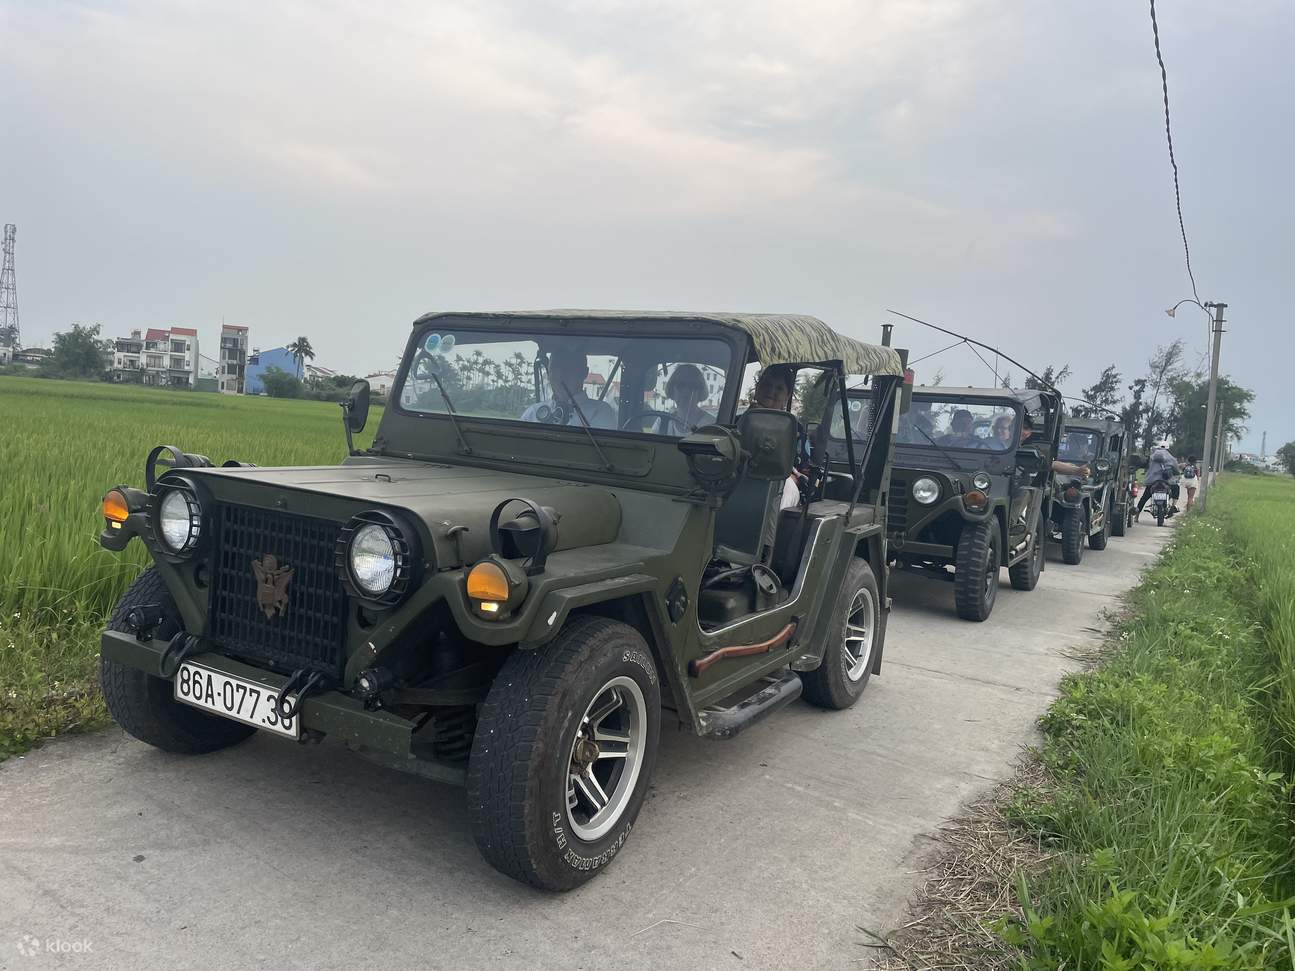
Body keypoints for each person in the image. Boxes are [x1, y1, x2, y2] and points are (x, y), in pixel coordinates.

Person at [745, 364, 803, 511]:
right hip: (738, 472)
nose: (771, 391)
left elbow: (801, 466)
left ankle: (769, 533)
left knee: (786, 488)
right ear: (757, 389)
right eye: (767, 385)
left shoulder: (795, 428)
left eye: (779, 388)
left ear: (787, 396)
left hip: (778, 477)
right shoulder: (739, 420)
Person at [521, 348, 617, 429]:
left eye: (567, 368)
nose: (559, 375)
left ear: (584, 372)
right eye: (554, 368)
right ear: (549, 371)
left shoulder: (601, 412)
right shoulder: (532, 412)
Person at [1019, 416, 1090, 477]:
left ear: (1029, 433)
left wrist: (1077, 470)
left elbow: (1052, 464)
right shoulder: (1010, 446)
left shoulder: (1089, 458)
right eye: (1018, 426)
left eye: (1025, 428)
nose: (1021, 430)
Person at [656, 364, 714, 434]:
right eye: (680, 385)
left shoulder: (711, 425)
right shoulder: (663, 422)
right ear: (672, 389)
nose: (686, 392)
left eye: (692, 386)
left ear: (700, 391)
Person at [1135, 440, 1178, 520]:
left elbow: (1145, 466)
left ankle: (1136, 516)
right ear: (1168, 448)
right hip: (1167, 481)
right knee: (1176, 488)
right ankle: (1174, 505)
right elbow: (1176, 470)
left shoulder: (1151, 457)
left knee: (1144, 498)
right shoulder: (1172, 458)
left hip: (1152, 481)